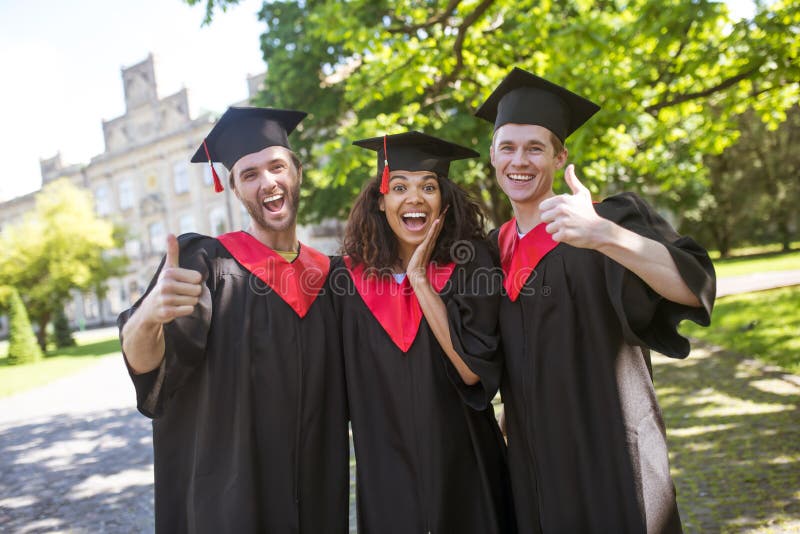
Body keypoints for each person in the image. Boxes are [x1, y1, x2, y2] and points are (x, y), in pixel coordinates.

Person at [474, 68, 716, 533]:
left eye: (535, 148)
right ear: (492, 155)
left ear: (560, 155)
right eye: (507, 147)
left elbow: (695, 287)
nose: (518, 161)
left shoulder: (610, 220)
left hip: (614, 456)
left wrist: (605, 236)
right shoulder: (490, 250)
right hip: (536, 468)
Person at [118, 107, 349, 533]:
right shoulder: (204, 263)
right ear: (233, 188)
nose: (268, 182)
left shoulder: (332, 278)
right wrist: (146, 316)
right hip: (231, 499)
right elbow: (150, 370)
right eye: (249, 174)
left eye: (277, 167)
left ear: (297, 171)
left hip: (314, 496)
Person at [333, 131, 515, 533]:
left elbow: (472, 371)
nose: (413, 198)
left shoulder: (473, 266)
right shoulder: (345, 280)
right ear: (381, 202)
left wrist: (419, 279)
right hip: (385, 468)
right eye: (399, 187)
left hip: (465, 461)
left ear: (444, 203)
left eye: (428, 187)